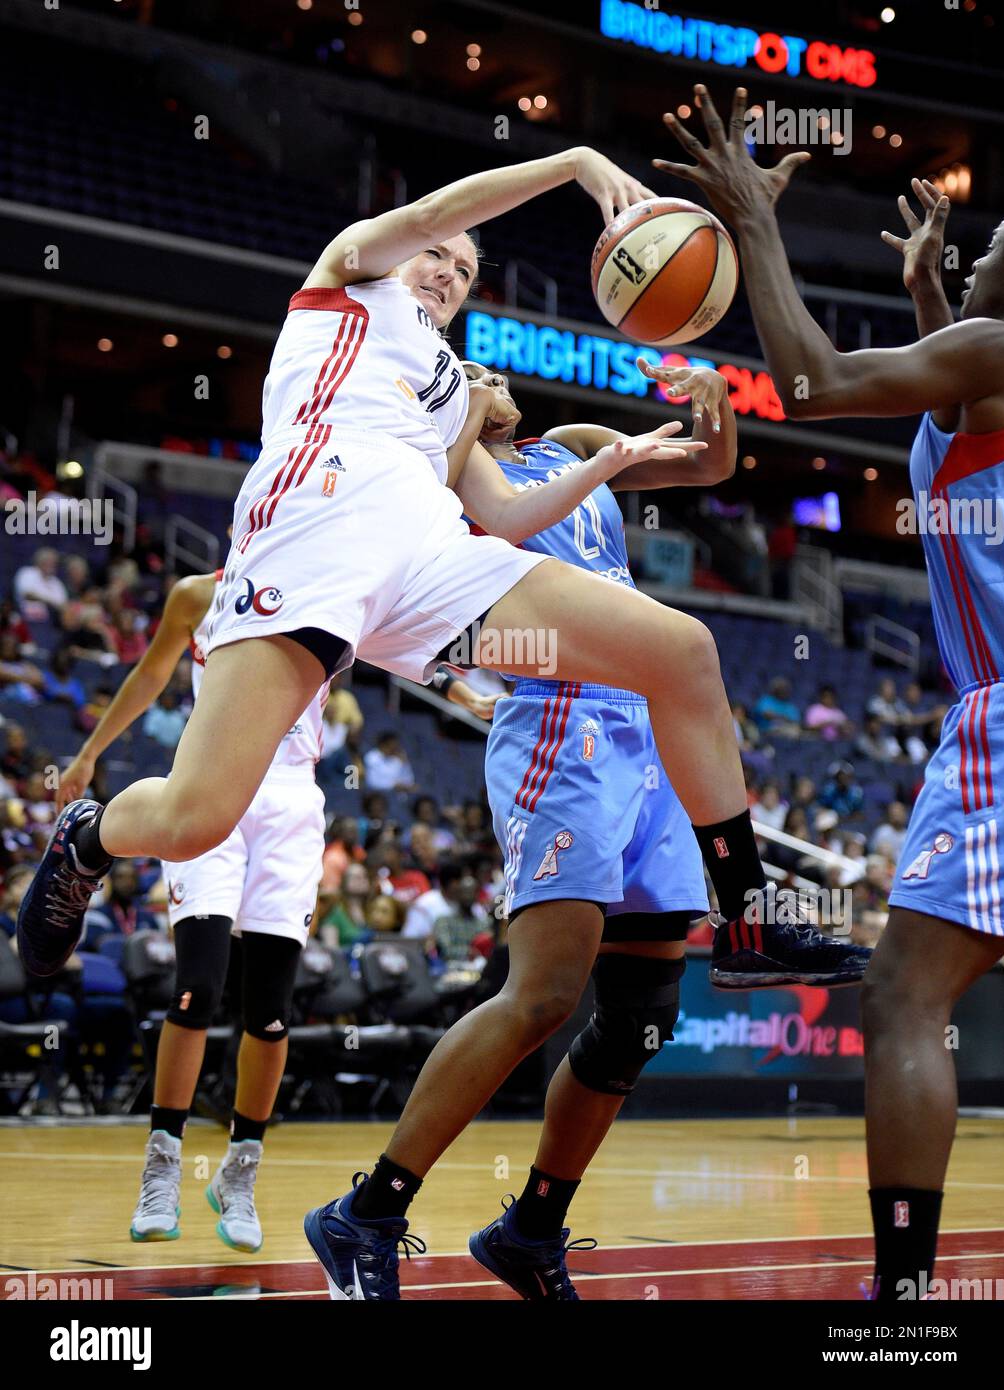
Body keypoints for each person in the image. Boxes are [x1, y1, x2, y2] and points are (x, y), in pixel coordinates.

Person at [18, 136, 863, 1279]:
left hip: (426, 564)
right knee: (196, 818)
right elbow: (441, 216)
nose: (449, 273)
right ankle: (87, 836)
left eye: (465, 274)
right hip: (311, 540)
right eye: (443, 256)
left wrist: (611, 464)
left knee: (682, 650)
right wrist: (571, 164)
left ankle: (749, 918)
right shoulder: (348, 279)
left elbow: (504, 523)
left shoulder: (454, 391)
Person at [308, 359, 868, 1302]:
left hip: (647, 728)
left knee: (642, 1016)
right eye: (465, 372)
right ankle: (367, 1208)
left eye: (485, 368)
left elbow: (706, 468)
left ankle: (531, 1228)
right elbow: (441, 563)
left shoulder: (557, 449)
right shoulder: (436, 475)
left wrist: (713, 407)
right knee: (540, 998)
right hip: (559, 729)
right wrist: (463, 418)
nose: (487, 375)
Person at [656, 85, 1004, 1300]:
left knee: (906, 989)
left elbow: (806, 386)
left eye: (997, 244)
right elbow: (946, 405)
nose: (983, 246)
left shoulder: (992, 353)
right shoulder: (973, 364)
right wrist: (925, 291)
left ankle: (901, 1298)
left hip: (1001, 712)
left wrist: (753, 220)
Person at [55, 569, 329, 1252]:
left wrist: (463, 688)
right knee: (196, 989)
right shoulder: (196, 596)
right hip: (212, 783)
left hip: (291, 803)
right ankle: (162, 1163)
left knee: (268, 1012)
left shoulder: (336, 583)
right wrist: (91, 753)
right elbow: (149, 677)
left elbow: (414, 647)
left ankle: (239, 1172)